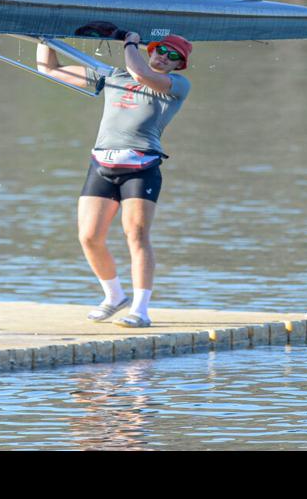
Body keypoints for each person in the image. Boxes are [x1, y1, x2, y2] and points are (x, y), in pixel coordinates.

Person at [37, 31, 192, 328]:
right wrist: (46, 37)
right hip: (102, 164)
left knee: (136, 235)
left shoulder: (176, 85)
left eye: (173, 56)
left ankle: (140, 310)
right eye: (160, 50)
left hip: (141, 167)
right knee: (89, 237)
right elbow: (49, 69)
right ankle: (114, 296)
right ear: (151, 50)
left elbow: (141, 73)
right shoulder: (113, 76)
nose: (163, 57)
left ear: (178, 65)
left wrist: (130, 41)